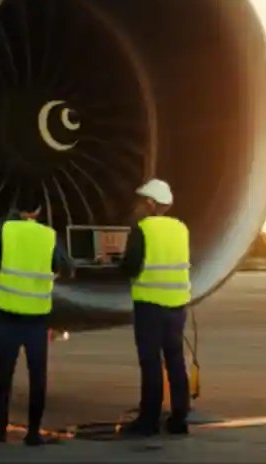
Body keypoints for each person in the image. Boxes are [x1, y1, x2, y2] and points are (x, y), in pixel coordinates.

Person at [0, 196, 75, 446]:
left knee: (4, 373)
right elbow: (65, 265)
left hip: (7, 314)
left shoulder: (6, 231)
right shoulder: (48, 235)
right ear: (38, 211)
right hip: (36, 318)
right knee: (37, 376)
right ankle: (33, 432)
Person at [119, 178, 192, 437]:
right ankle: (179, 418)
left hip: (150, 305)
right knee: (175, 362)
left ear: (150, 203)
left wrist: (117, 264)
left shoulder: (143, 228)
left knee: (150, 363)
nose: (138, 206)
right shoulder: (181, 228)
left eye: (141, 201)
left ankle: (148, 421)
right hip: (177, 306)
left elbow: (132, 266)